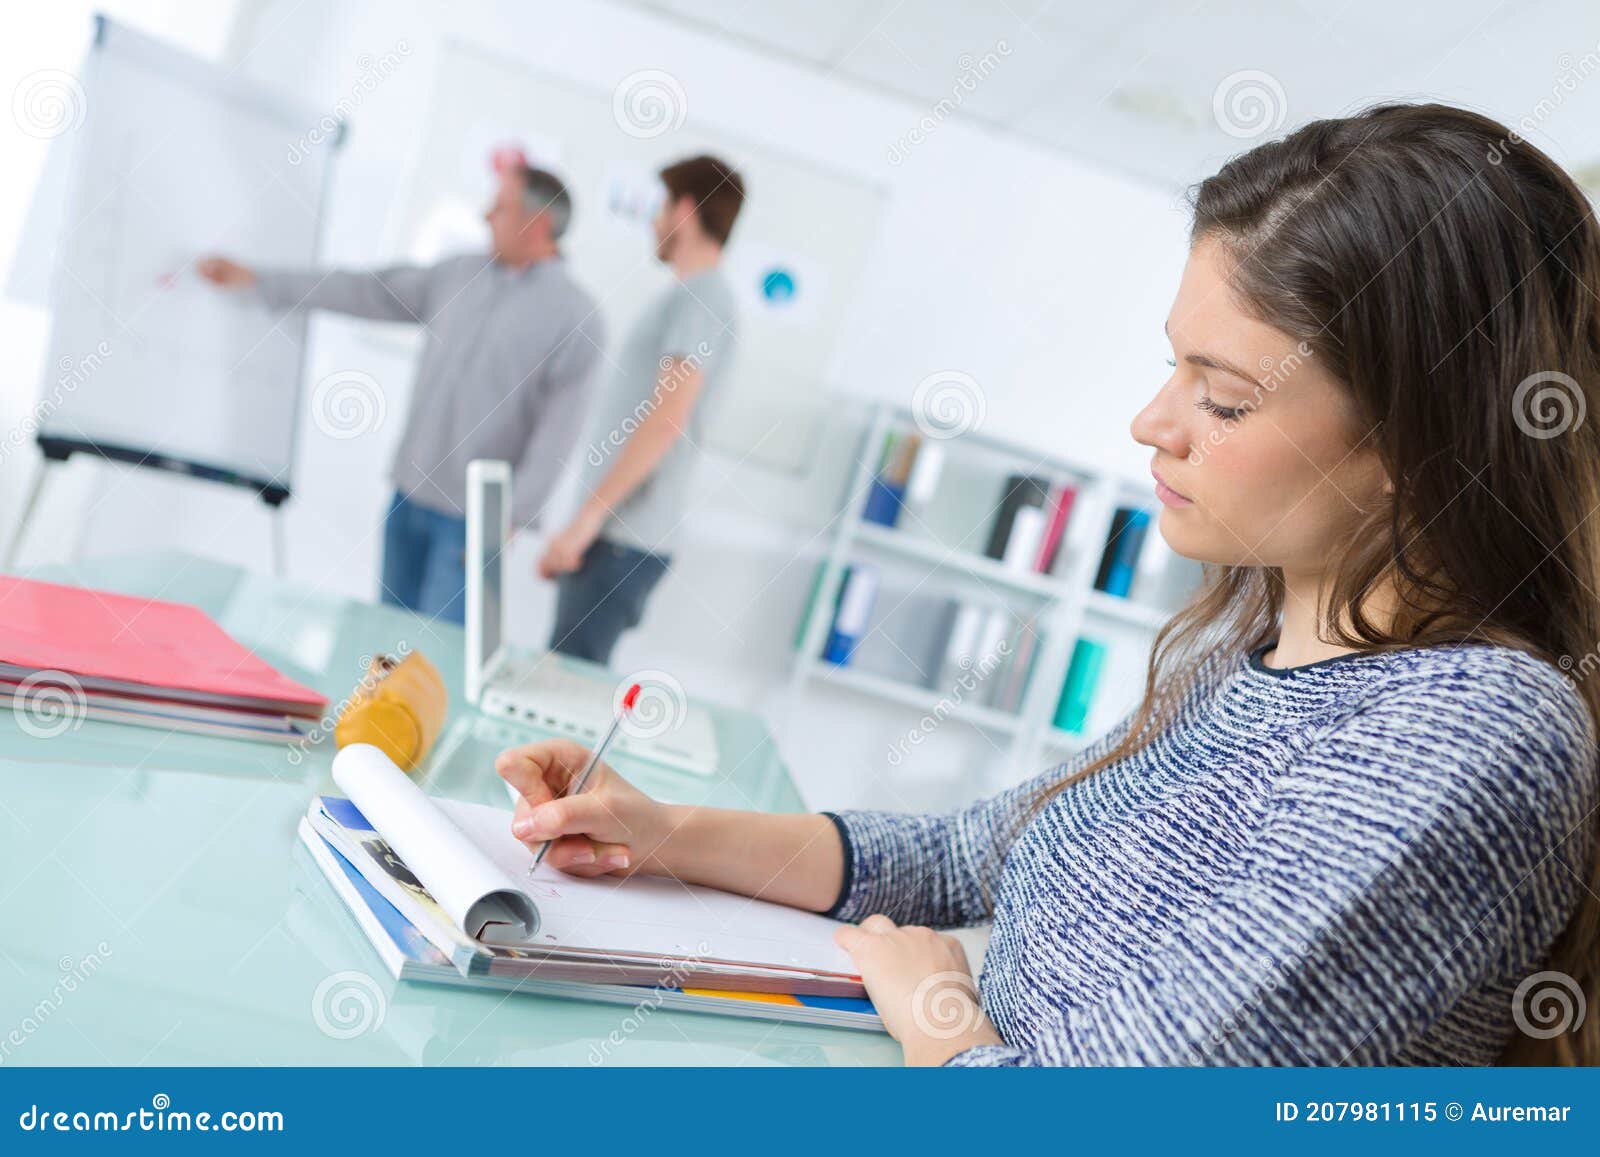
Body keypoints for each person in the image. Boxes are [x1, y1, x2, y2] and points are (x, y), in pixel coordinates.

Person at [494, 104, 1600, 1067]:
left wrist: (938, 1011)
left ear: (1421, 435)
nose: (1151, 422)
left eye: (1219, 397)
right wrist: (664, 830)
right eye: (1173, 363)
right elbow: (964, 852)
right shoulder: (1249, 654)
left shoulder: (1475, 731)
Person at [197, 161, 604, 623]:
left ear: (539, 222)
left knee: (434, 657)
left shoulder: (576, 317)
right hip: (408, 496)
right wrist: (260, 279)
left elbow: (559, 432)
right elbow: (366, 291)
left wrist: (508, 521)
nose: (486, 215)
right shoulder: (457, 274)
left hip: (473, 523)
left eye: (501, 207)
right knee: (385, 637)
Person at [538, 155, 744, 664]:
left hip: (620, 540)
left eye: (661, 206)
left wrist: (585, 523)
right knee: (567, 684)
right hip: (619, 539)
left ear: (685, 210)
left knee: (567, 690)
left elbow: (666, 419)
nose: (653, 221)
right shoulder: (695, 297)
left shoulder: (703, 298)